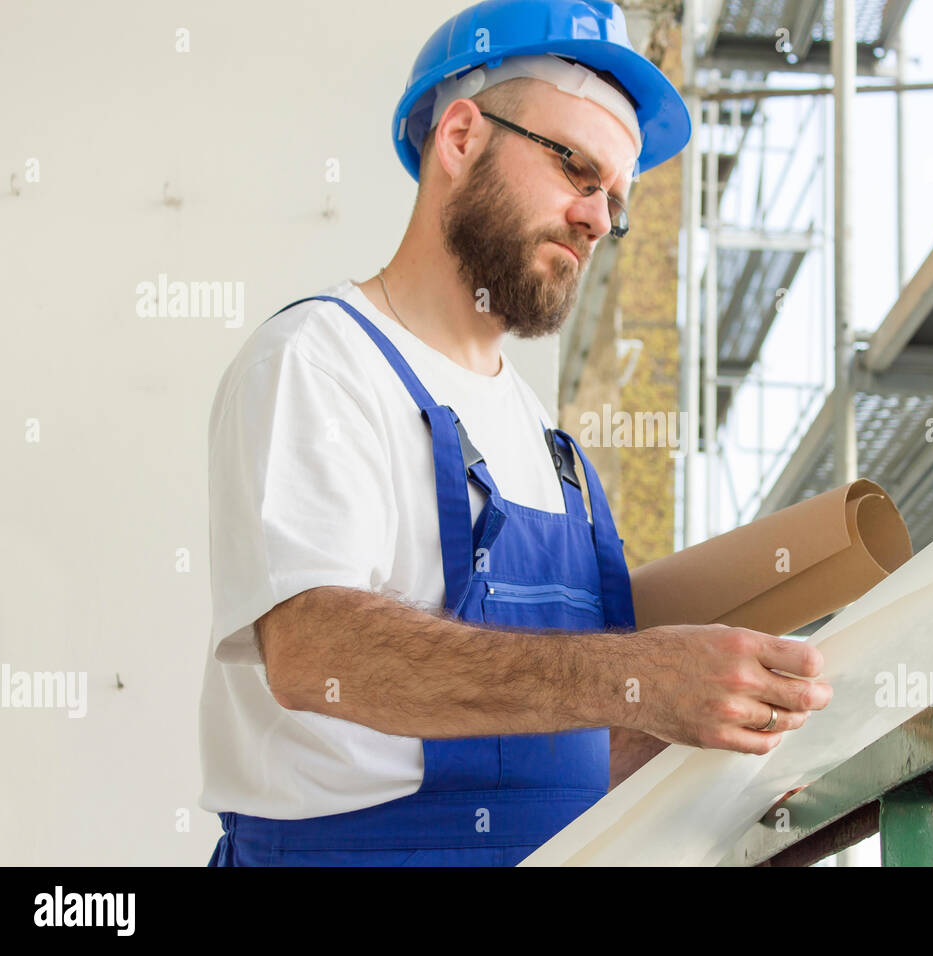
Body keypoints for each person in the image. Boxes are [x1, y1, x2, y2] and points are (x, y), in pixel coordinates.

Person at [201, 0, 832, 867]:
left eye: (615, 199)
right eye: (578, 169)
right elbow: (315, 651)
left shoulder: (547, 441)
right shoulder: (323, 360)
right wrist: (638, 676)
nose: (599, 219)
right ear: (460, 138)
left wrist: (709, 740)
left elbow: (553, 745)